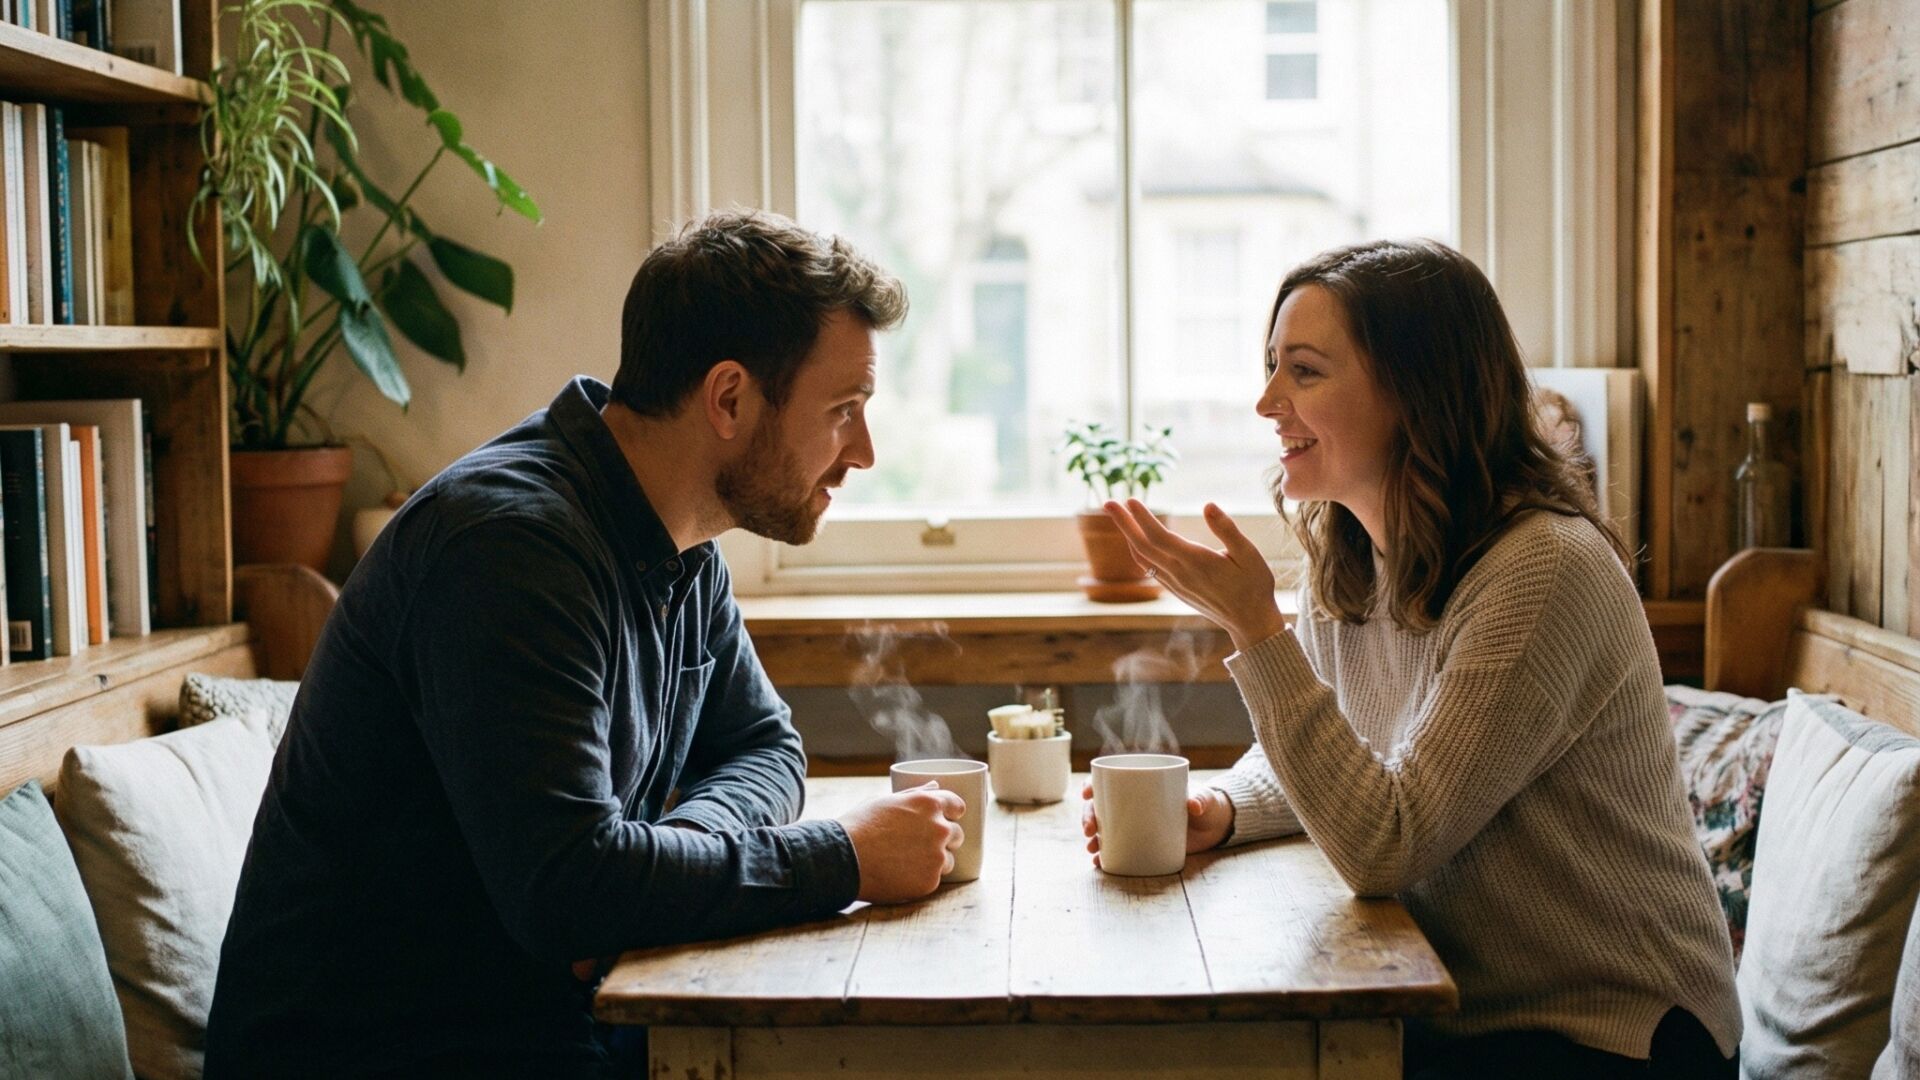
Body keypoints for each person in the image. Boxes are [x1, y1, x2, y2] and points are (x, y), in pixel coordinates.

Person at [205, 210, 966, 1078]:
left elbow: (764, 745)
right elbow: (571, 895)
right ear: (728, 398)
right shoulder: (507, 549)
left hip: (549, 1024)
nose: (863, 452)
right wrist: (844, 856)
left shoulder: (682, 541)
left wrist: (664, 865)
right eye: (843, 411)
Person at [1084, 239, 1740, 1078]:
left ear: (1415, 393)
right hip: (1462, 1014)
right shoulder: (1349, 557)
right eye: (1272, 367)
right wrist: (1223, 807)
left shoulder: (1543, 569)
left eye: (1305, 372)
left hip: (1615, 1033)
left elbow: (1386, 841)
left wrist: (1255, 628)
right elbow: (1344, 761)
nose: (1266, 401)